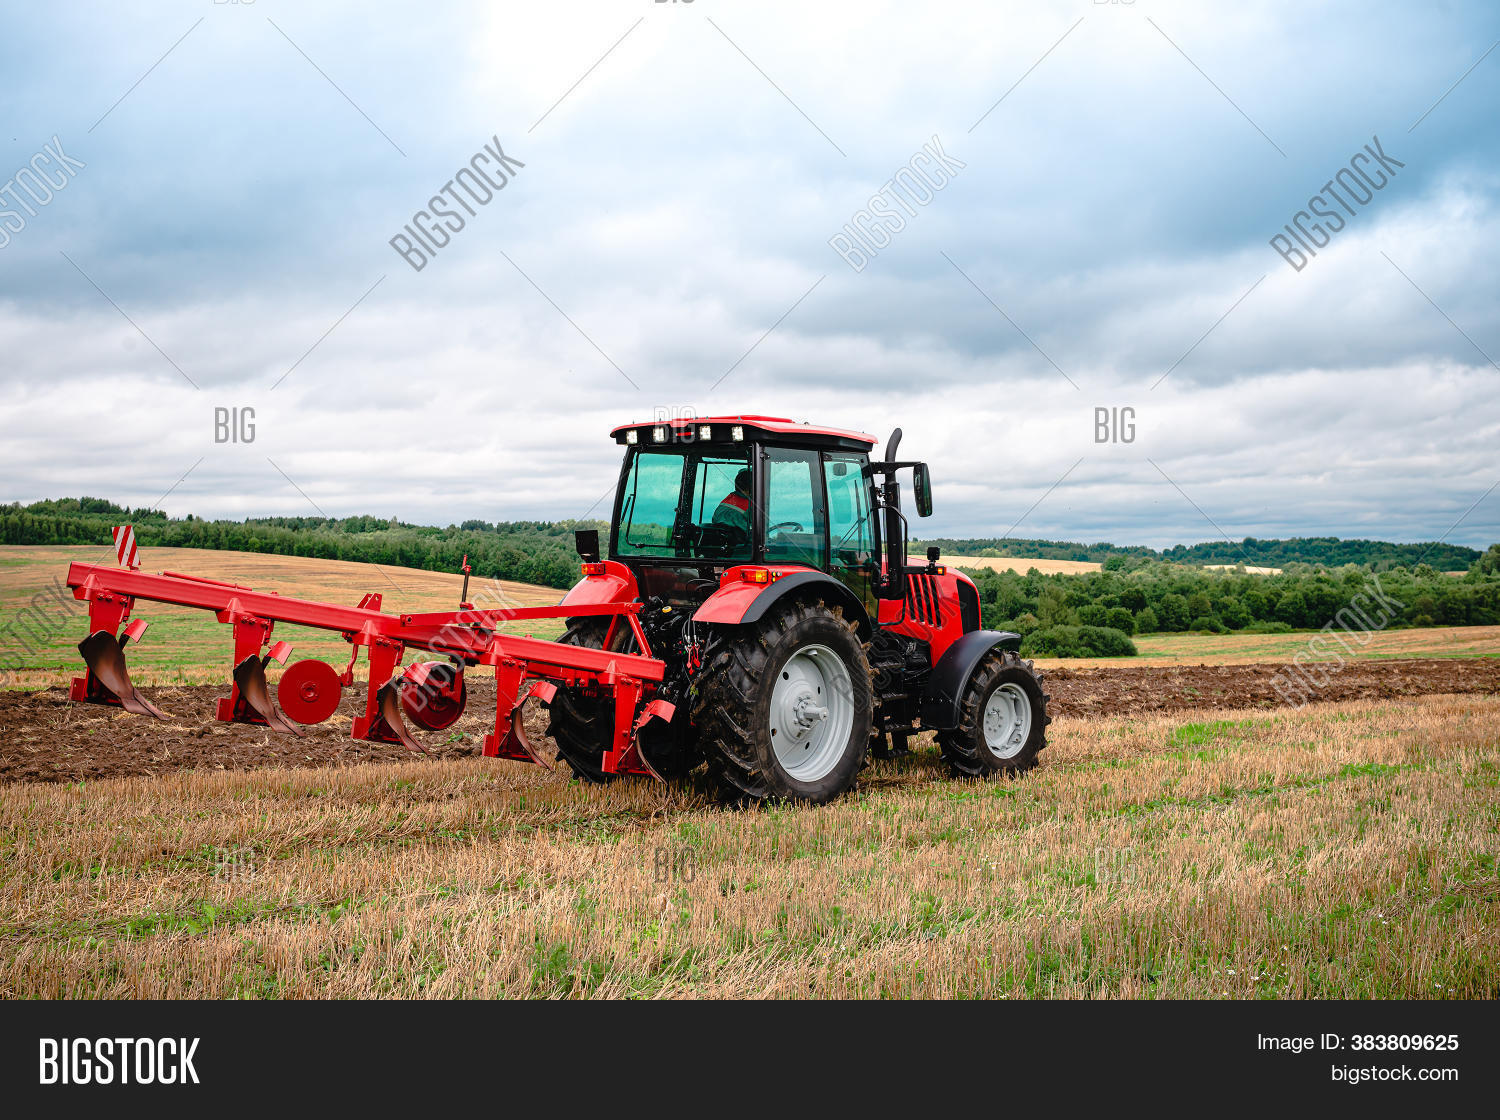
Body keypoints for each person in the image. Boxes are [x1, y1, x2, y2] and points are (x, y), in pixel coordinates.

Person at [711, 467, 752, 544]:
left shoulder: (725, 502)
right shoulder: (750, 506)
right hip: (739, 551)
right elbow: (753, 535)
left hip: (720, 548)